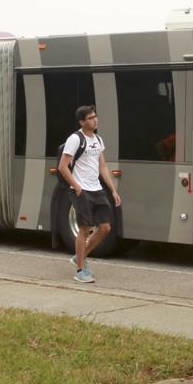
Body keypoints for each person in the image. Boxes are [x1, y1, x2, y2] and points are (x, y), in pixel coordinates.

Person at [59, 105, 121, 284]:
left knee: (105, 227)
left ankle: (80, 256)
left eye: (95, 116)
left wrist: (113, 190)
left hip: (97, 189)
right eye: (91, 118)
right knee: (84, 229)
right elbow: (63, 167)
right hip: (82, 190)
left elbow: (102, 166)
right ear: (81, 122)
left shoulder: (98, 139)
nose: (95, 120)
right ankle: (80, 270)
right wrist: (76, 187)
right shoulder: (75, 139)